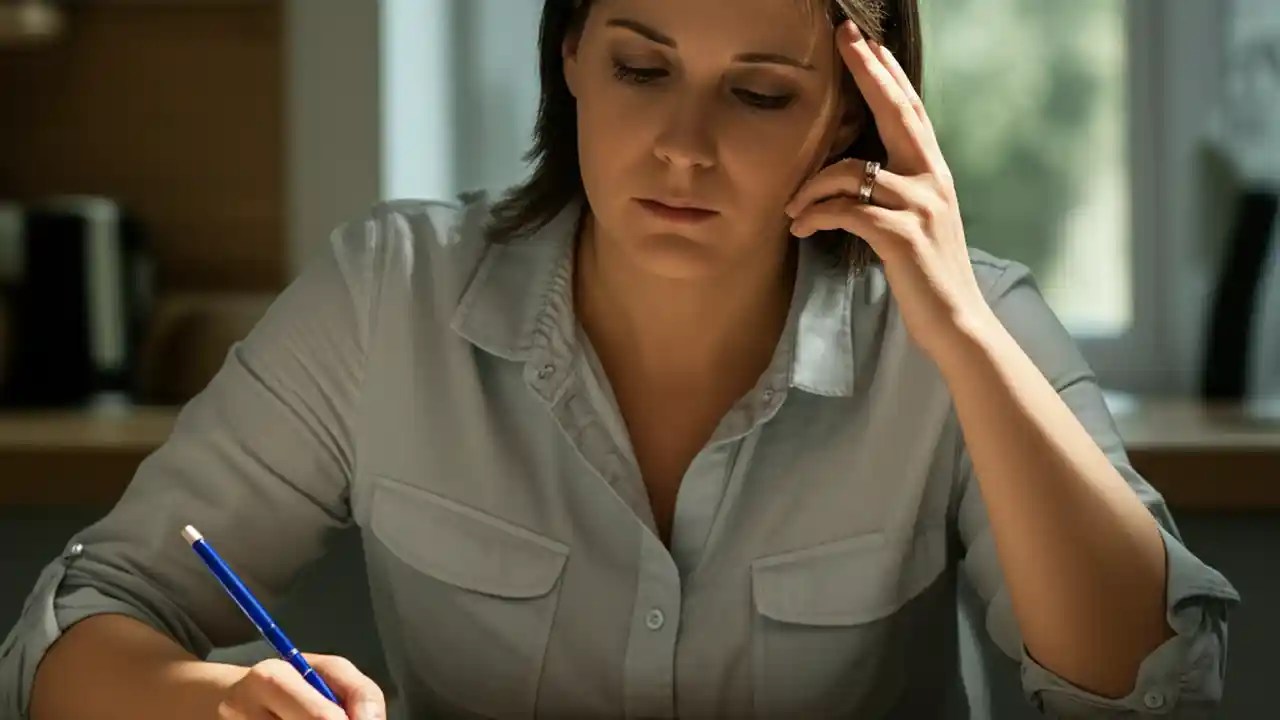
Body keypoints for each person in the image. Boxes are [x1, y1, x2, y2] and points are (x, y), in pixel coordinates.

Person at [0, 0, 1240, 718]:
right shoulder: (391, 297)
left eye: (756, 94)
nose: (680, 147)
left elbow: (1149, 689)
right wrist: (220, 709)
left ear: (855, 115)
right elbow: (78, 631)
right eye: (642, 70)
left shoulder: (967, 326)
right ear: (571, 58)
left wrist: (962, 341)